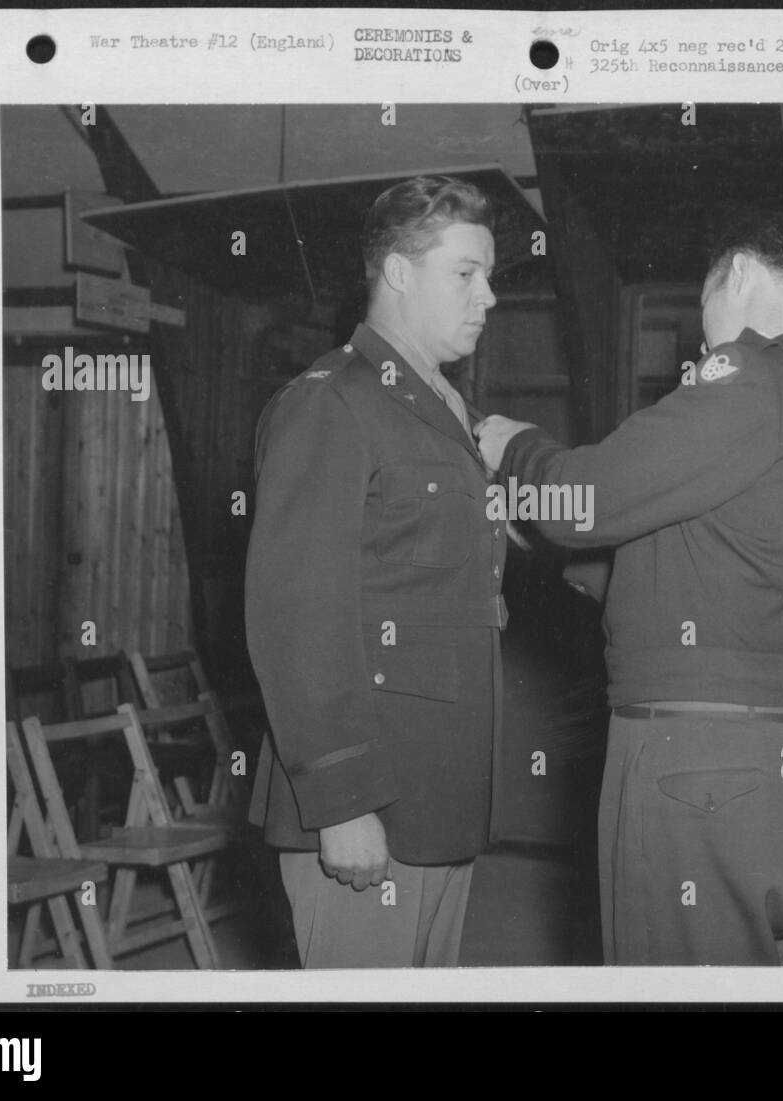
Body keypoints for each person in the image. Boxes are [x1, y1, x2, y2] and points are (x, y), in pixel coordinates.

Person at [475, 210, 783, 965]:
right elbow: (707, 555)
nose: (702, 343)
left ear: (738, 277)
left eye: (704, 309)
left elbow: (588, 494)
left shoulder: (748, 374)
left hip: (702, 761)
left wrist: (514, 447)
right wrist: (538, 536)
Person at [245, 175, 505, 968]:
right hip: (370, 805)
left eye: (487, 275)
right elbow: (297, 611)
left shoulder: (439, 408)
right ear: (397, 271)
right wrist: (343, 798)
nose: (487, 296)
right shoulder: (332, 401)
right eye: (466, 273)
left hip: (437, 799)